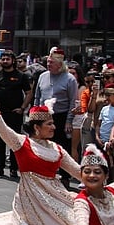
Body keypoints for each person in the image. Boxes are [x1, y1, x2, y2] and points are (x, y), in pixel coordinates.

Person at [0, 94, 83, 225]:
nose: (54, 127)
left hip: (55, 194)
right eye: (49, 124)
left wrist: (98, 180)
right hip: (30, 198)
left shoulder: (57, 149)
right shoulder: (21, 143)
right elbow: (2, 129)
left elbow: (77, 171)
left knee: (77, 222)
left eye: (53, 123)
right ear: (37, 127)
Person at [33, 49, 78, 188]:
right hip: (44, 114)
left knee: (62, 146)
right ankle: (44, 173)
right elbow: (37, 96)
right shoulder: (43, 76)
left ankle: (65, 176)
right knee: (42, 145)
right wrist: (35, 114)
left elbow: (72, 101)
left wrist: (69, 120)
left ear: (59, 64)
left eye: (51, 62)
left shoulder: (69, 78)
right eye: (48, 62)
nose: (48, 64)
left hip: (61, 116)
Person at [0, 52, 31, 178]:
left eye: (8, 59)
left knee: (14, 140)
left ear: (13, 60)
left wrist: (22, 108)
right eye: (3, 59)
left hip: (15, 113)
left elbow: (29, 93)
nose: (5, 61)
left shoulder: (21, 76)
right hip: (0, 113)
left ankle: (13, 168)